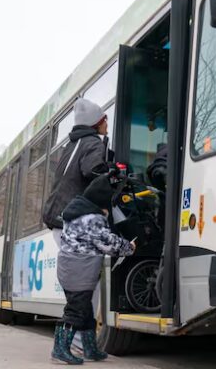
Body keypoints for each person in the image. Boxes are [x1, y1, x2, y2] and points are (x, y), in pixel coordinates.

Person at [52, 173, 136, 364]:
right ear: (102, 203)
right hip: (79, 269)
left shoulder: (77, 212)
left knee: (85, 311)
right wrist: (129, 247)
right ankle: (59, 349)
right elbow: (107, 243)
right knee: (75, 312)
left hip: (72, 268)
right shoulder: (93, 218)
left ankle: (91, 349)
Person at [43, 98, 111, 243]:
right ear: (96, 124)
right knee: (83, 263)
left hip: (58, 216)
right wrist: (110, 169)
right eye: (104, 120)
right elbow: (93, 171)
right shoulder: (92, 142)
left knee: (74, 264)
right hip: (70, 218)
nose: (106, 124)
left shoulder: (74, 144)